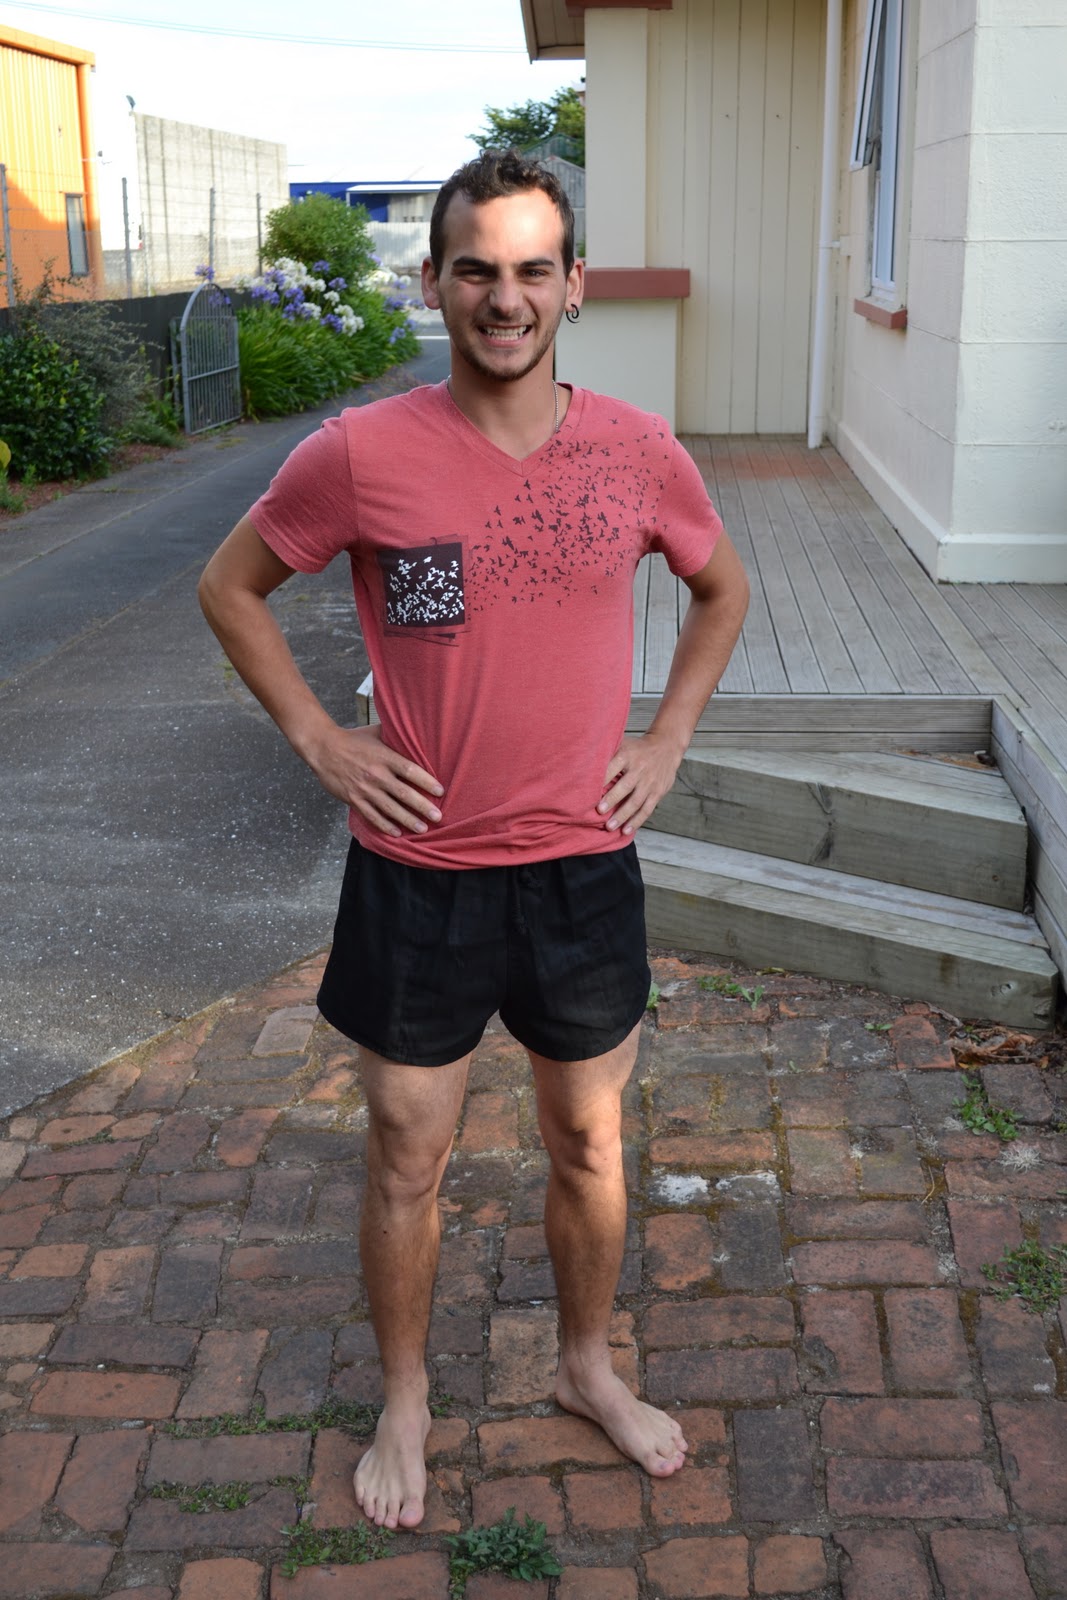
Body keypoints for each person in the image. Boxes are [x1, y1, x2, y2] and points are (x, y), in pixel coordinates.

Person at [198, 148, 749, 1533]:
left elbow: (721, 589)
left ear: (575, 287)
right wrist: (327, 743)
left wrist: (666, 737)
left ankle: (582, 1367)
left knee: (587, 1142)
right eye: (476, 271)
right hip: (420, 873)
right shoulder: (362, 454)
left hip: (580, 866)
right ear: (436, 283)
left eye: (530, 272)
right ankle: (404, 1399)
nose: (504, 299)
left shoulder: (635, 450)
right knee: (405, 1148)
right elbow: (233, 586)